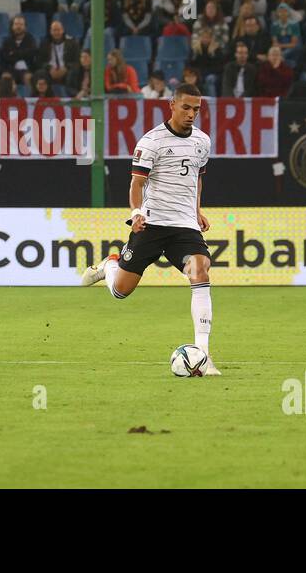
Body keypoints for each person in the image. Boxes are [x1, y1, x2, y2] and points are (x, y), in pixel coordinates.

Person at [79, 83, 218, 376]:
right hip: (152, 224)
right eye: (186, 108)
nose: (192, 114)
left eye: (197, 109)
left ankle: (204, 356)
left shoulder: (203, 141)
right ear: (172, 105)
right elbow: (137, 183)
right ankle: (110, 265)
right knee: (120, 292)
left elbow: (197, 179)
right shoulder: (151, 141)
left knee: (201, 270)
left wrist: (196, 212)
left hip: (183, 226)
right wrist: (136, 212)